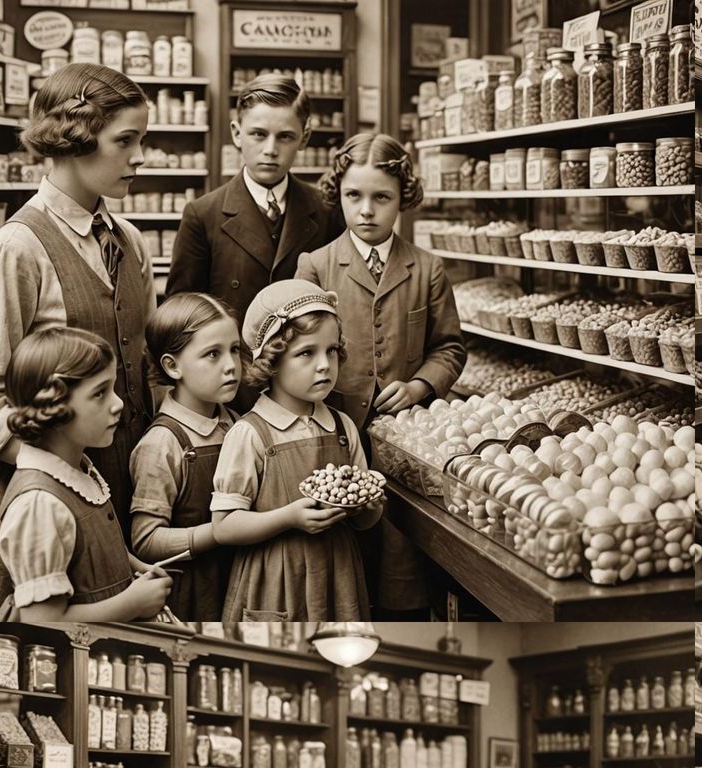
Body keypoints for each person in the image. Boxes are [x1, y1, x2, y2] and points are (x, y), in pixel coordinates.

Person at [0, 62, 155, 620]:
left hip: (125, 487)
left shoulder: (131, 242)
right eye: (126, 141)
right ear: (75, 138)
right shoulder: (17, 249)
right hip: (41, 502)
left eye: (144, 140)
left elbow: (144, 369)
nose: (140, 157)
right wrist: (60, 475)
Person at [296, 132, 466, 613]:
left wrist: (420, 384)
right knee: (340, 556)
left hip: (410, 445)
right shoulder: (316, 266)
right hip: (330, 438)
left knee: (402, 559)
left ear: (403, 199)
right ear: (339, 194)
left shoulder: (428, 268)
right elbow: (299, 352)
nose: (366, 210)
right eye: (354, 196)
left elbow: (449, 347)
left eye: (381, 198)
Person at [211, 279, 381, 621]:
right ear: (271, 362)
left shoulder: (343, 427)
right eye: (307, 353)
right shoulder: (250, 434)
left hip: (337, 574)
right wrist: (288, 518)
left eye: (331, 350)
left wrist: (369, 506)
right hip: (276, 579)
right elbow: (224, 527)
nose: (324, 365)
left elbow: (365, 522)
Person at [0, 327, 172, 621]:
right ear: (54, 407)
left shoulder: (76, 470)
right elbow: (42, 621)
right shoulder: (39, 504)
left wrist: (133, 565)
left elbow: (86, 546)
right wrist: (132, 604)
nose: (118, 404)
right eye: (100, 393)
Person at [167, 74, 343, 348]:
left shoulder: (327, 209)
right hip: (235, 372)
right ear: (237, 134)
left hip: (306, 371)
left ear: (304, 137)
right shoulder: (203, 214)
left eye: (285, 137)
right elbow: (182, 313)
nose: (270, 150)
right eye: (258, 134)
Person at [130, 293, 242, 619]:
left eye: (235, 350)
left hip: (238, 582)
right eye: (213, 354)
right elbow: (146, 540)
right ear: (172, 365)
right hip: (196, 597)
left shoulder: (236, 423)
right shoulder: (162, 444)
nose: (231, 366)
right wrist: (221, 532)